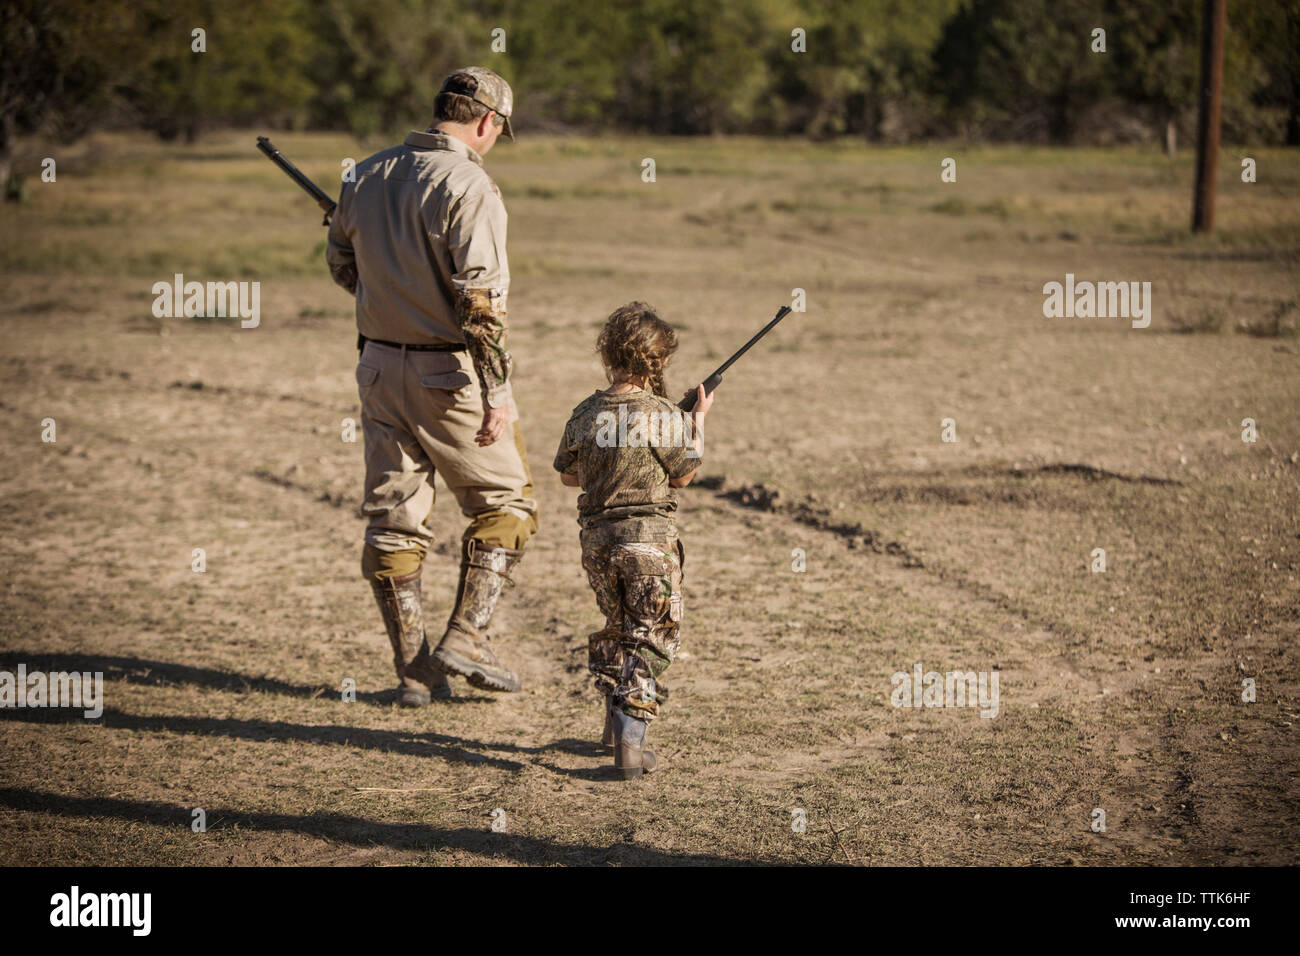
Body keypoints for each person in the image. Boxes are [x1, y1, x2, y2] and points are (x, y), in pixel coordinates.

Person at [326, 67, 538, 705]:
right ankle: (467, 638)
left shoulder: (363, 174)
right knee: (507, 504)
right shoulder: (469, 182)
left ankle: (414, 674)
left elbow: (343, 269)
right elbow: (481, 304)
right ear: (487, 122)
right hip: (450, 374)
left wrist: (390, 275)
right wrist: (498, 391)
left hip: (378, 370)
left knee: (393, 522)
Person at [553, 302, 713, 779]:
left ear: (608, 355)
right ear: (657, 362)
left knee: (619, 623)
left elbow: (568, 475)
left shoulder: (586, 411)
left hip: (598, 546)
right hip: (649, 545)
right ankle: (629, 737)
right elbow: (684, 475)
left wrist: (612, 461)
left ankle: (611, 721)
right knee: (652, 635)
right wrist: (697, 421)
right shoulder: (665, 415)